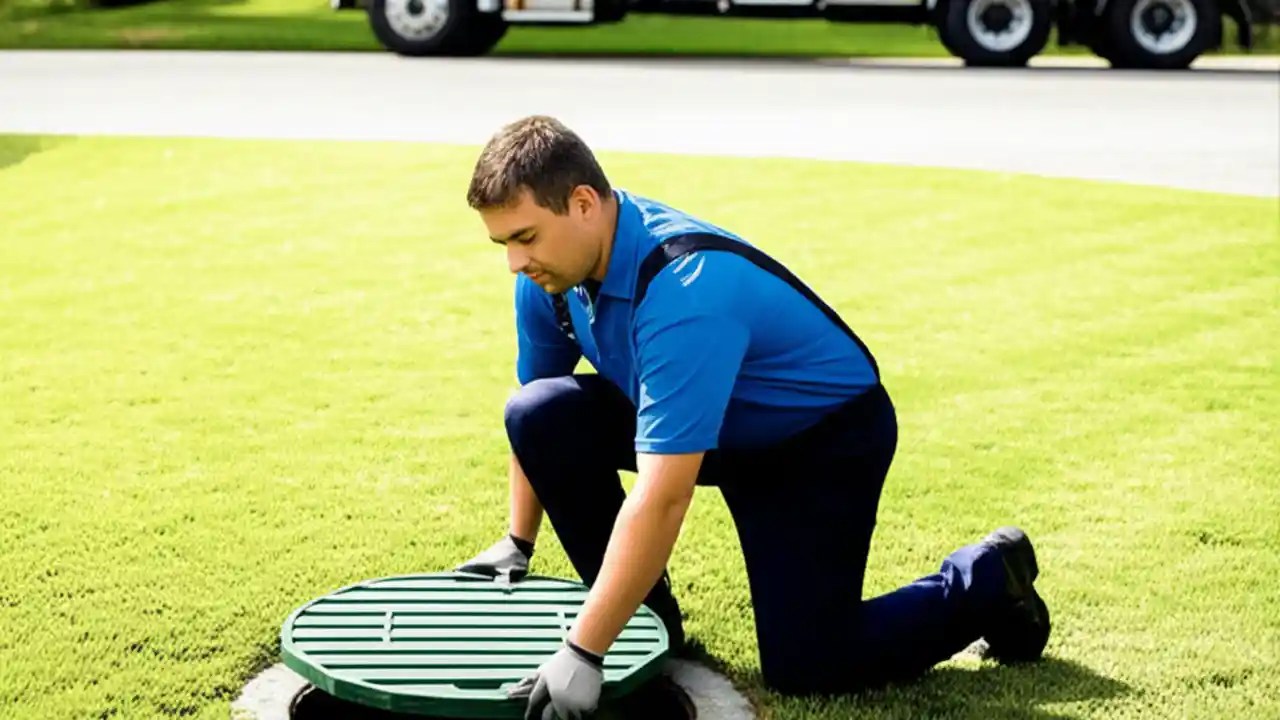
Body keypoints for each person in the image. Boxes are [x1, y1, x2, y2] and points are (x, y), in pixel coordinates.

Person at [455, 115, 1051, 720]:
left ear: (583, 203)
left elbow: (663, 497)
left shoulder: (684, 291)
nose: (514, 261)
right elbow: (537, 413)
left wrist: (582, 651)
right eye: (504, 243)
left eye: (525, 236)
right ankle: (644, 620)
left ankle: (988, 578)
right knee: (539, 411)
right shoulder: (548, 276)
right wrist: (518, 541)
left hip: (818, 442)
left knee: (810, 663)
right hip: (718, 422)